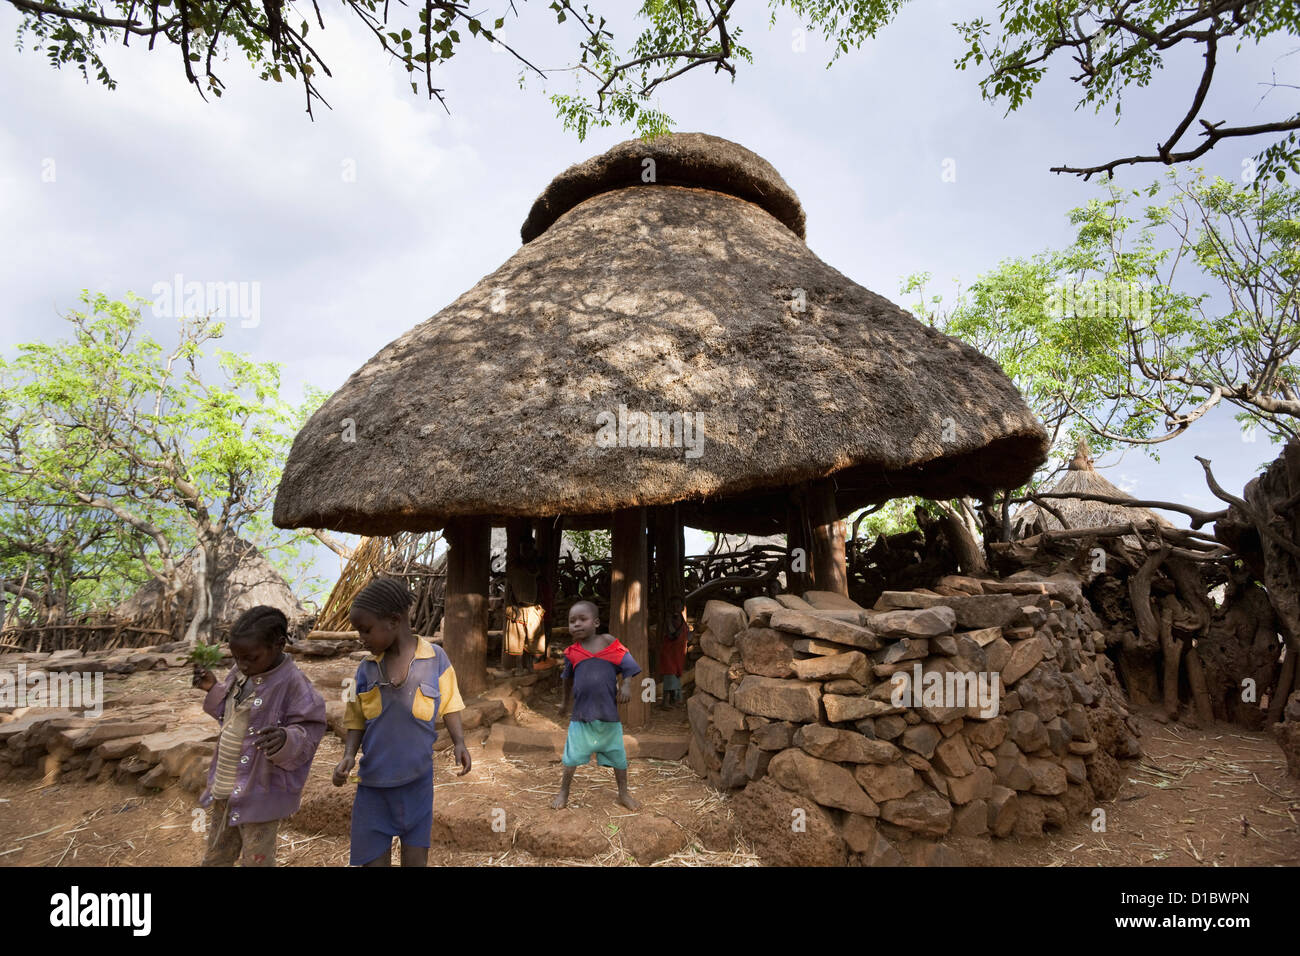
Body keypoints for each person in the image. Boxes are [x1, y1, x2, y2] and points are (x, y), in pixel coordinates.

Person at [332, 577, 472, 866]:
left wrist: (459, 742)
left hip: (417, 785)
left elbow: (450, 705)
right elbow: (356, 718)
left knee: (416, 860)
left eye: (366, 630)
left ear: (394, 621)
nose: (361, 638)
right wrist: (348, 755)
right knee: (373, 861)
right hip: (373, 788)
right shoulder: (366, 670)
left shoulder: (436, 659)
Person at [192, 606, 326, 867]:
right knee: (217, 853)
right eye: (236, 657)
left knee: (257, 859)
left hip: (261, 789)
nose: (242, 664)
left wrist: (287, 739)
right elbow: (230, 715)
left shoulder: (294, 684)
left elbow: (310, 728)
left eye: (250, 658)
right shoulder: (242, 672)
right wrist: (212, 688)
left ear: (278, 645)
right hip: (226, 784)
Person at [552, 600, 641, 810]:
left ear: (596, 622)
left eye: (583, 619)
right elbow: (567, 680)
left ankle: (623, 793)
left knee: (619, 758)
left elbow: (627, 664)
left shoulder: (608, 642)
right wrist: (565, 703)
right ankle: (563, 792)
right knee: (571, 758)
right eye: (572, 621)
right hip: (581, 716)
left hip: (608, 715)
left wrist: (626, 686)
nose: (577, 624)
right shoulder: (572, 652)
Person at [659, 595, 689, 707]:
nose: (676, 607)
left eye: (678, 605)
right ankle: (665, 702)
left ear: (682, 607)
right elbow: (672, 635)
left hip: (678, 653)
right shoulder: (669, 619)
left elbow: (687, 634)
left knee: (676, 675)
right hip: (669, 652)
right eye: (673, 606)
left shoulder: (681, 618)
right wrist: (681, 627)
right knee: (669, 675)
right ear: (670, 607)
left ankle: (673, 700)